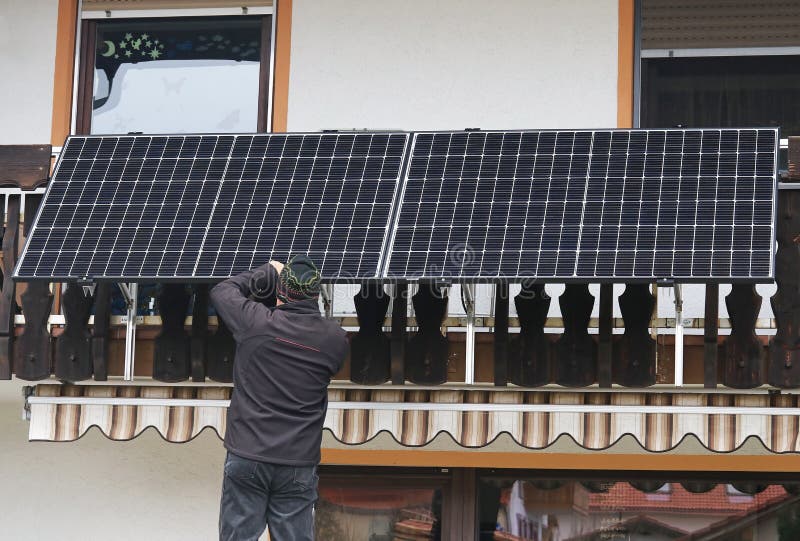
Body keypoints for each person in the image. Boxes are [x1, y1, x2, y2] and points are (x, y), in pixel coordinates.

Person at [211, 255, 349, 541]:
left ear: (280, 291)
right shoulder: (334, 339)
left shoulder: (256, 324)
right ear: (316, 294)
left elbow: (222, 291)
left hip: (248, 454)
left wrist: (266, 272)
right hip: (298, 463)